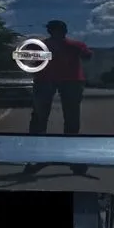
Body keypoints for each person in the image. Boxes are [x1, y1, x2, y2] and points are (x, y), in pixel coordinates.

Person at [24, 20, 92, 175]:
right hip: (56, 81)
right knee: (44, 118)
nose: (56, 34)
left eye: (57, 30)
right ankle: (38, 156)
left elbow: (87, 56)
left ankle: (70, 159)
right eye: (54, 30)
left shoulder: (73, 45)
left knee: (67, 118)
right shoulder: (71, 45)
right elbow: (26, 58)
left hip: (64, 81)